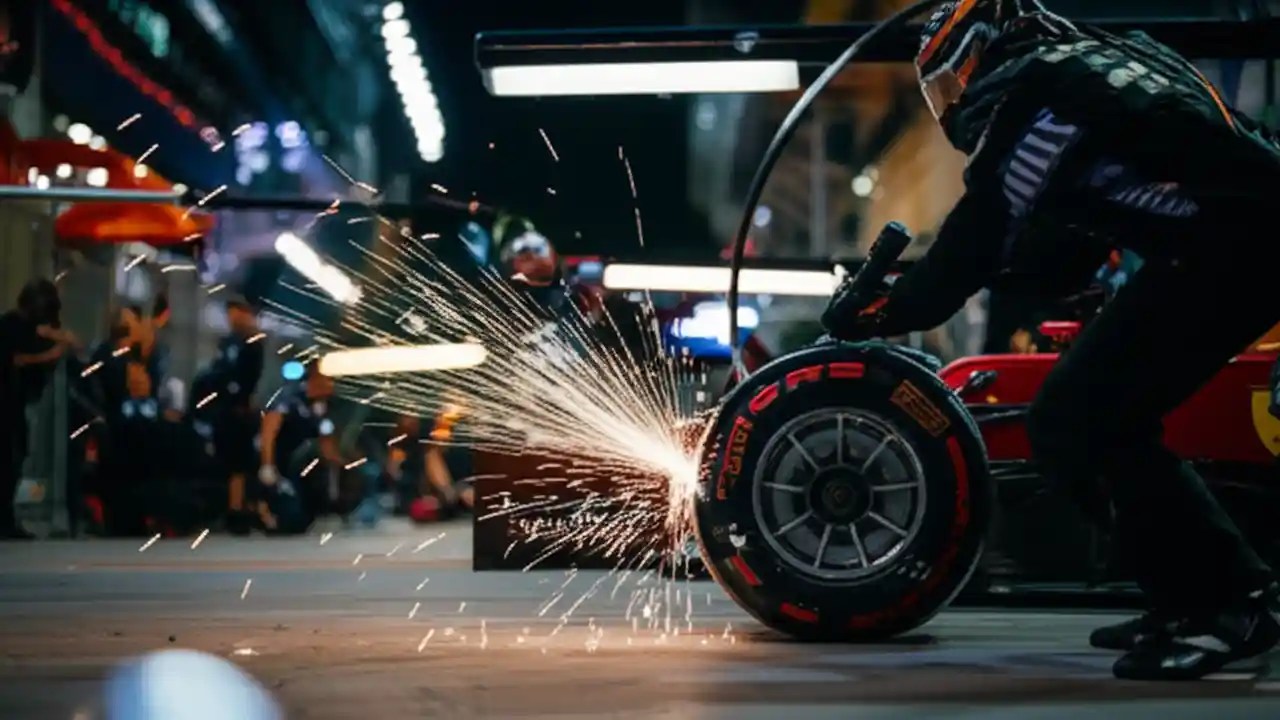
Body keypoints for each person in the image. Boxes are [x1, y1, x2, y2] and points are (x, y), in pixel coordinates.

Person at [822, 0, 1280, 680]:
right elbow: (1059, 249)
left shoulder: (1040, 89)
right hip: (1230, 244)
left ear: (986, 47)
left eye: (951, 80)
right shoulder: (1107, 64)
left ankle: (1233, 606)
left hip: (1238, 250)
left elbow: (982, 229)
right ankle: (1186, 598)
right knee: (1083, 421)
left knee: (1082, 419)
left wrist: (879, 310)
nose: (954, 102)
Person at [0, 279, 78, 539]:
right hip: (6, 405)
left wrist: (57, 340)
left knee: (15, 461)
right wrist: (54, 352)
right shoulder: (10, 327)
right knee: (8, 463)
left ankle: (7, 518)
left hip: (14, 406)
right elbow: (20, 359)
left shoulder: (26, 327)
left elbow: (60, 339)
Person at [191, 294, 264, 534]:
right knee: (228, 463)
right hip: (225, 410)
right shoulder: (229, 342)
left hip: (240, 411)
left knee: (240, 465)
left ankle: (239, 509)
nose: (233, 318)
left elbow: (250, 378)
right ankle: (231, 508)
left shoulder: (252, 342)